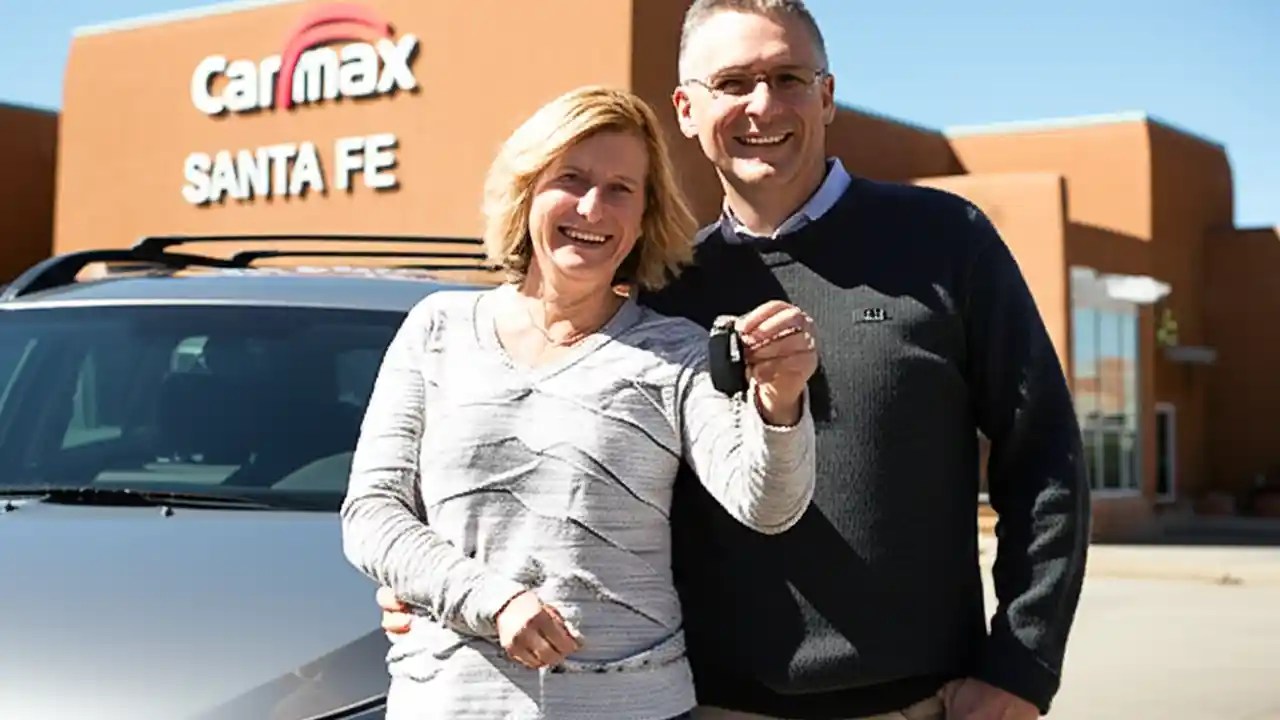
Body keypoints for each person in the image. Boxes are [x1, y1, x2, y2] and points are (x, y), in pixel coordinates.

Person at [377, 1, 1091, 719]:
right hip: (704, 702)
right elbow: (560, 472)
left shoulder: (943, 242)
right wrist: (431, 590)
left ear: (828, 95)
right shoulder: (657, 287)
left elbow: (1045, 457)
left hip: (913, 702)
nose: (762, 105)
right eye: (733, 82)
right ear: (687, 109)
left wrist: (1021, 666)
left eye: (788, 77)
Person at [339, 84, 820, 720]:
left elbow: (768, 507)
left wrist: (779, 403)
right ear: (527, 190)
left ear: (646, 215)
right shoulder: (438, 329)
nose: (593, 208)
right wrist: (491, 600)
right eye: (571, 178)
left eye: (622, 188)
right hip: (449, 701)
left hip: (632, 702)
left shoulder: (673, 349)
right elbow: (371, 514)